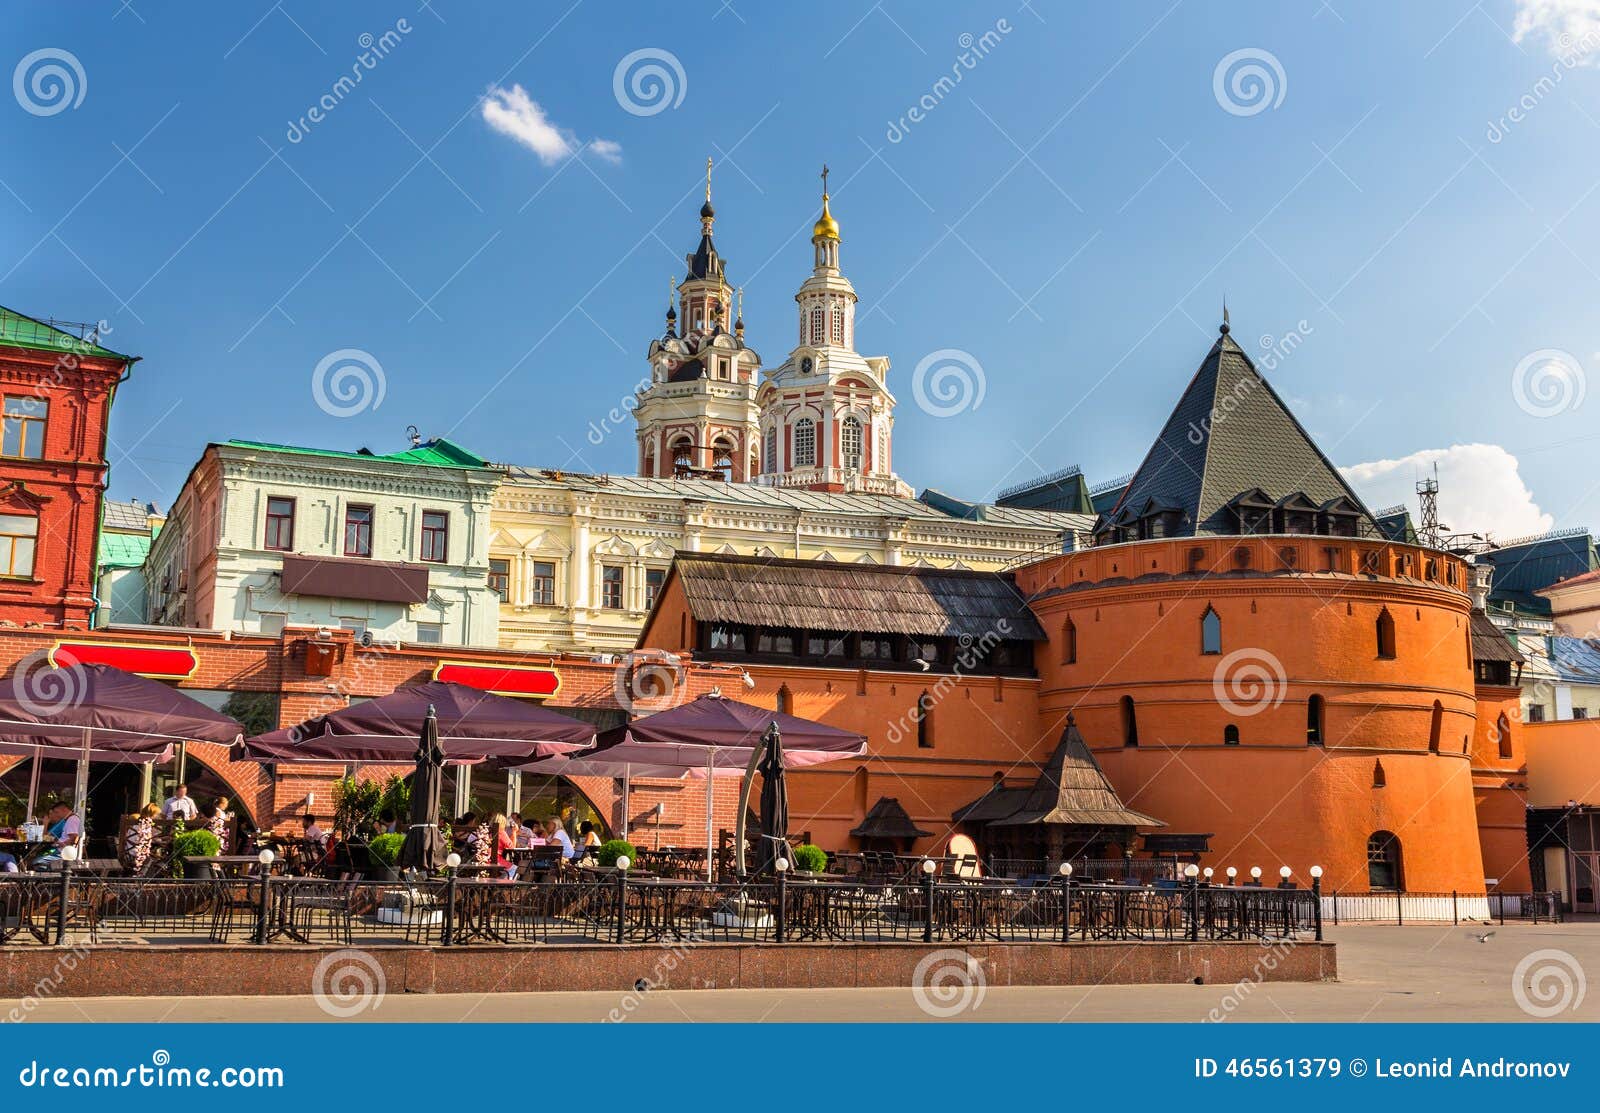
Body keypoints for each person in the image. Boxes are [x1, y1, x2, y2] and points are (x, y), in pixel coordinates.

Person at [36, 802, 82, 866]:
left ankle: (51, 874)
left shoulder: (72, 819)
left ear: (65, 810)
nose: (56, 815)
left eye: (57, 812)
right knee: (38, 856)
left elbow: (73, 839)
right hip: (60, 850)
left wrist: (58, 844)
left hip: (63, 852)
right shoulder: (69, 819)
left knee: (36, 862)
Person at [125, 803, 159, 872]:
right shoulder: (145, 826)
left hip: (129, 851)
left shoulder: (136, 825)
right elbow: (150, 840)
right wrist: (161, 840)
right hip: (137, 854)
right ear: (151, 815)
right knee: (158, 858)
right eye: (157, 815)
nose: (158, 817)